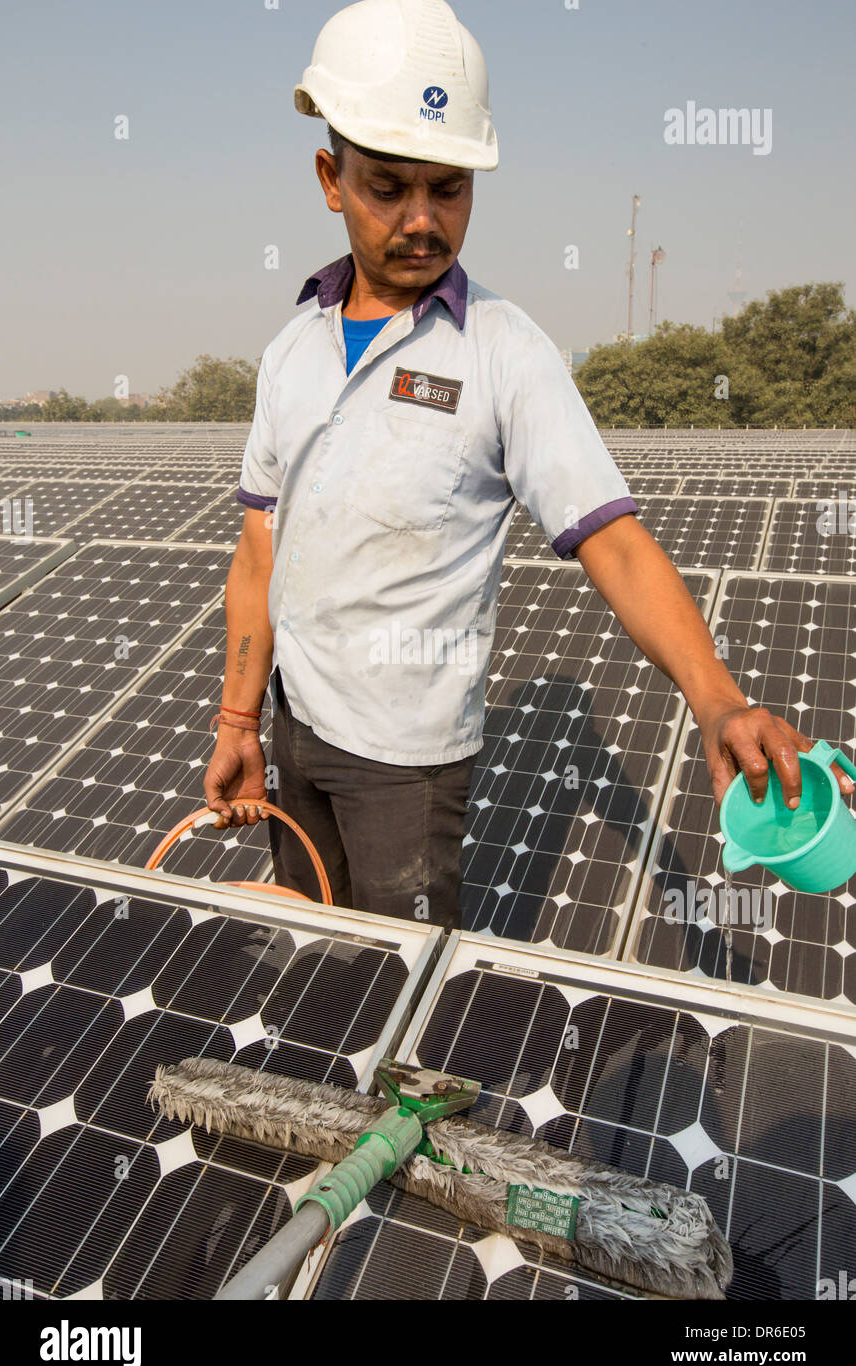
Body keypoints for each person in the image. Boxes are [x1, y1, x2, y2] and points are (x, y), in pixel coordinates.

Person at [204, 0, 852, 927]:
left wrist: (718, 702)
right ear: (329, 178)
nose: (424, 219)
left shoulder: (506, 354)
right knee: (313, 959)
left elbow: (615, 543)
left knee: (403, 998)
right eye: (389, 187)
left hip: (408, 765)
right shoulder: (291, 350)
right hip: (294, 730)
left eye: (451, 187)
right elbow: (260, 552)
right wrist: (239, 722)